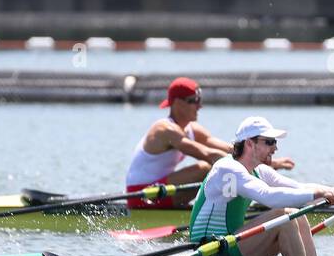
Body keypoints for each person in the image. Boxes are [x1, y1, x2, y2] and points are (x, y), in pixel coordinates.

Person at [190, 116, 334, 256]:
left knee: (297, 215)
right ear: (249, 143)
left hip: (232, 250)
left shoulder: (259, 171)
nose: (275, 148)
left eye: (275, 142)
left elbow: (301, 188)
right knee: (284, 216)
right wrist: (322, 193)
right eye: (269, 142)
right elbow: (267, 196)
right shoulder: (227, 168)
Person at [124, 77, 294, 209]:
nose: (200, 106)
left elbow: (230, 149)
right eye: (194, 101)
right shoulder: (164, 130)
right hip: (141, 195)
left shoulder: (192, 129)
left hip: (160, 191)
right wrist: (253, 167)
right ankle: (241, 202)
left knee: (220, 166)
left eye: (199, 100)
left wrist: (266, 160)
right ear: (177, 103)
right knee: (206, 168)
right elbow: (207, 154)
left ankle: (237, 202)